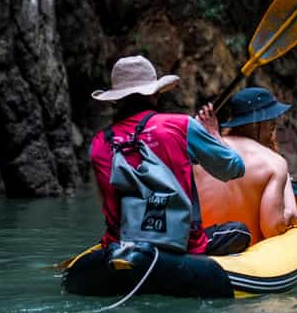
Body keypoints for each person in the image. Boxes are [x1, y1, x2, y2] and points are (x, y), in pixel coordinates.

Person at [89, 55, 251, 257]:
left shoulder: (99, 142)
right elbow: (234, 168)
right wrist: (212, 134)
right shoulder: (179, 126)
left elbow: (108, 201)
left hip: (120, 243)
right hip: (183, 246)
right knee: (240, 231)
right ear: (155, 93)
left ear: (116, 100)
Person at [194, 87, 297, 246]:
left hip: (206, 244)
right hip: (247, 254)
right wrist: (288, 216)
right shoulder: (273, 162)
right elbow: (271, 228)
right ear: (259, 124)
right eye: (271, 121)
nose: (273, 128)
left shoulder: (199, 150)